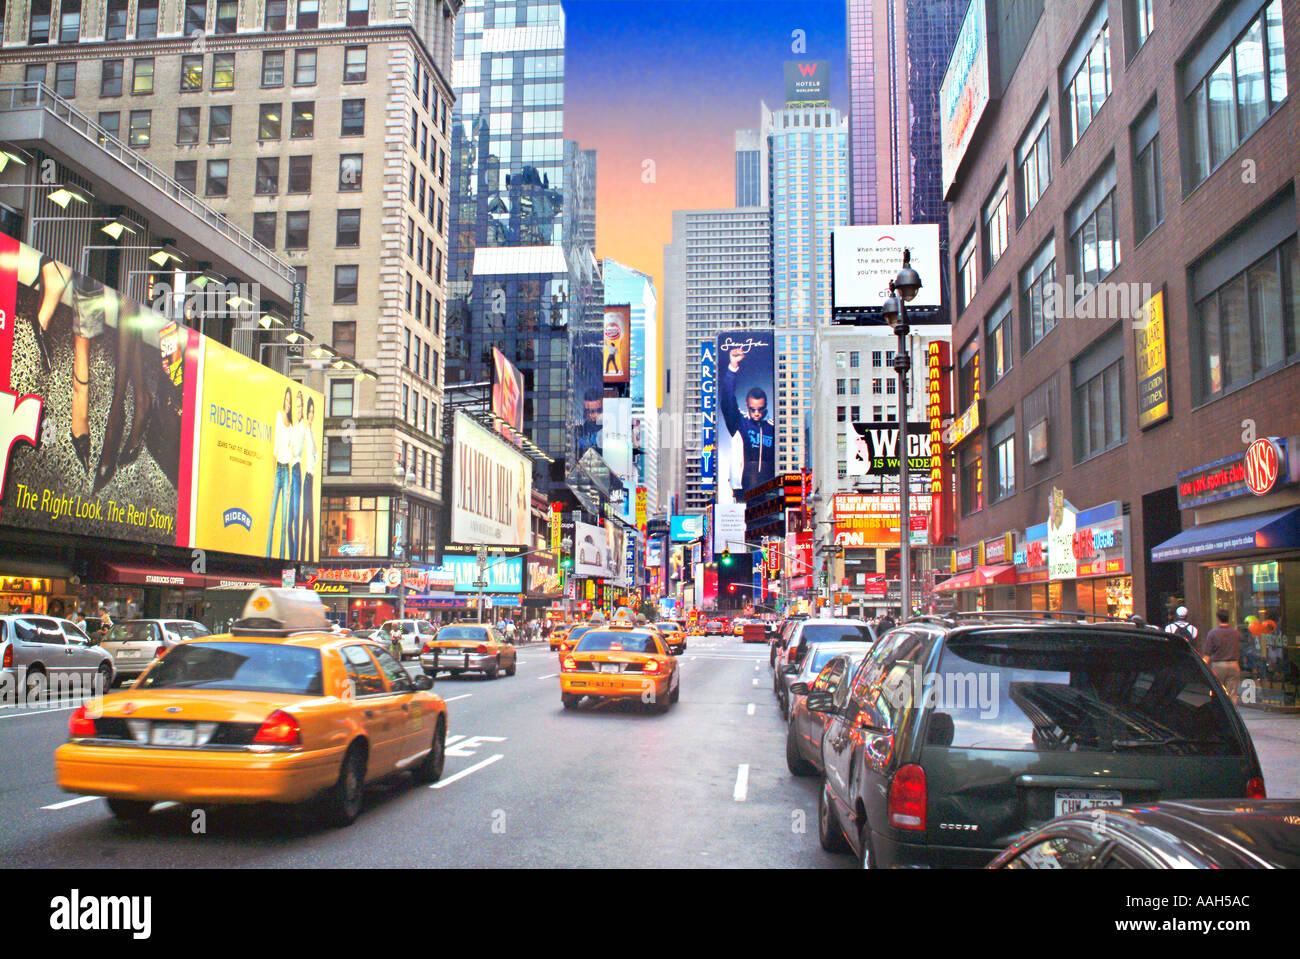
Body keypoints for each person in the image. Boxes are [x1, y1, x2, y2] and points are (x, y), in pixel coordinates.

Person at [718, 343, 775, 493]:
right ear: (747, 405)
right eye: (753, 409)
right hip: (743, 489)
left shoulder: (773, 428)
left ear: (766, 406)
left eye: (761, 409)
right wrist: (733, 367)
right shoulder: (739, 423)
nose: (757, 413)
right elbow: (727, 400)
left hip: (769, 490)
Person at [267, 387, 294, 558]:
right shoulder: (278, 416)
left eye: (290, 401)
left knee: (285, 521)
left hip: (288, 470)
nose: (288, 404)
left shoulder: (291, 425)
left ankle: (281, 557)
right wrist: (272, 476)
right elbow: (275, 447)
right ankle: (269, 554)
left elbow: (291, 451)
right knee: (272, 518)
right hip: (278, 469)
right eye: (287, 400)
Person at [1203, 610, 1242, 704]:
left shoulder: (1213, 633)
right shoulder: (1236, 633)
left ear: (1218, 619)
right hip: (1234, 665)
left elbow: (1207, 654)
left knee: (1218, 692)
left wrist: (1203, 666)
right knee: (1232, 693)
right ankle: (1233, 715)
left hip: (1218, 665)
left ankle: (1220, 715)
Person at [288, 390, 306, 561]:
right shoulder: (292, 427)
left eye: (300, 406)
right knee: (287, 524)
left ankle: (293, 559)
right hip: (289, 470)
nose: (298, 409)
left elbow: (295, 451)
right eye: (296, 405)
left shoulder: (301, 428)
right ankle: (291, 558)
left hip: (295, 471)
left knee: (293, 520)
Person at [299, 397, 317, 562]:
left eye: (312, 412)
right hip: (305, 478)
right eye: (309, 411)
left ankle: (309, 557)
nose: (311, 414)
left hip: (311, 479)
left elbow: (316, 457)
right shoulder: (304, 431)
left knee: (311, 521)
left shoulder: (312, 432)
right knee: (306, 519)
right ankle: (302, 557)